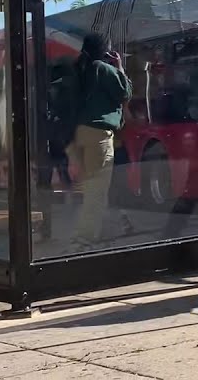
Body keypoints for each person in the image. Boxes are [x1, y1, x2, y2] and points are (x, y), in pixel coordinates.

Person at [69, 33, 133, 250]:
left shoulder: (80, 68)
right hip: (99, 134)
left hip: (81, 132)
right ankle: (84, 239)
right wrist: (120, 66)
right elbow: (125, 92)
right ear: (105, 51)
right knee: (97, 191)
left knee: (90, 188)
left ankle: (101, 231)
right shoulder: (103, 68)